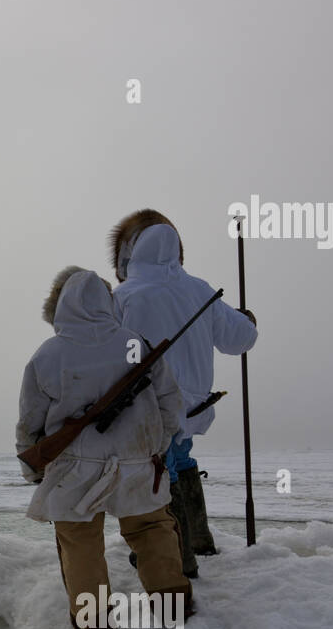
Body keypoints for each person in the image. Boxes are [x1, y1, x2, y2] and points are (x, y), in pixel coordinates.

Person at [16, 266, 192, 629]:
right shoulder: (136, 343)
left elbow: (30, 421)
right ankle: (172, 606)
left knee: (80, 542)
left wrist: (32, 466)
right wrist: (155, 446)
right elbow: (170, 404)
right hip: (137, 462)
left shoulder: (48, 354)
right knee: (151, 530)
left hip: (74, 468)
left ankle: (94, 624)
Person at [110, 214, 259, 577]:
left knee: (162, 472)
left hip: (150, 405)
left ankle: (175, 557)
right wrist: (247, 320)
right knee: (181, 460)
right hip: (193, 405)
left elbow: (109, 350)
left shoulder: (126, 295)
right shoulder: (200, 290)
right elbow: (240, 341)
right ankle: (198, 541)